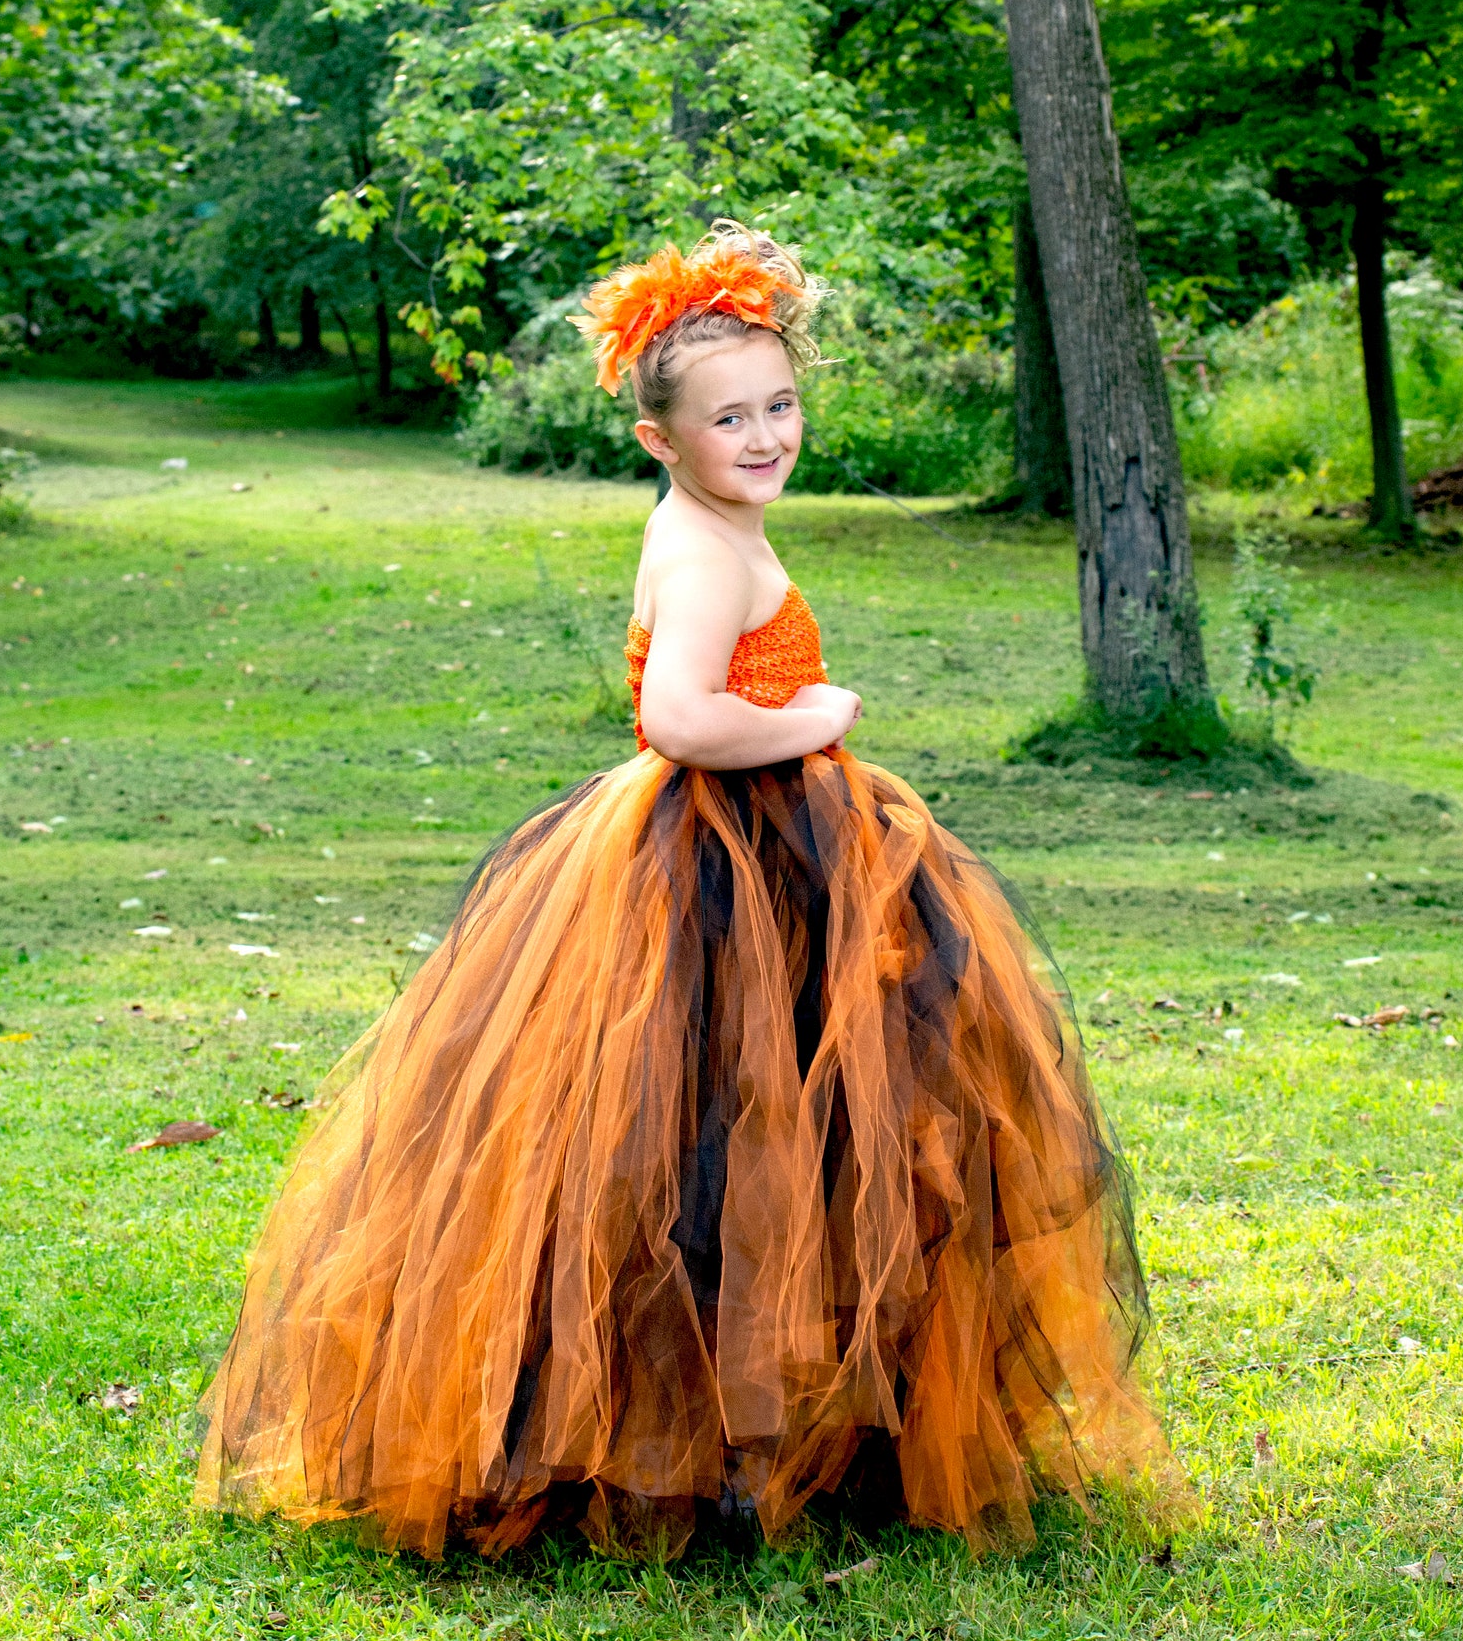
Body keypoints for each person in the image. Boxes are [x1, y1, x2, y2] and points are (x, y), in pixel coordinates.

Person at [197, 222, 1176, 1562]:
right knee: (721, 1134)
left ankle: (793, 1420)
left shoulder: (710, 522)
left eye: (779, 406)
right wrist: (821, 714)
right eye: (730, 418)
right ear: (663, 439)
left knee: (790, 1133)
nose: (765, 435)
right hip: (724, 862)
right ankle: (701, 1430)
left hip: (765, 852)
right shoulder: (709, 550)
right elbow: (678, 718)